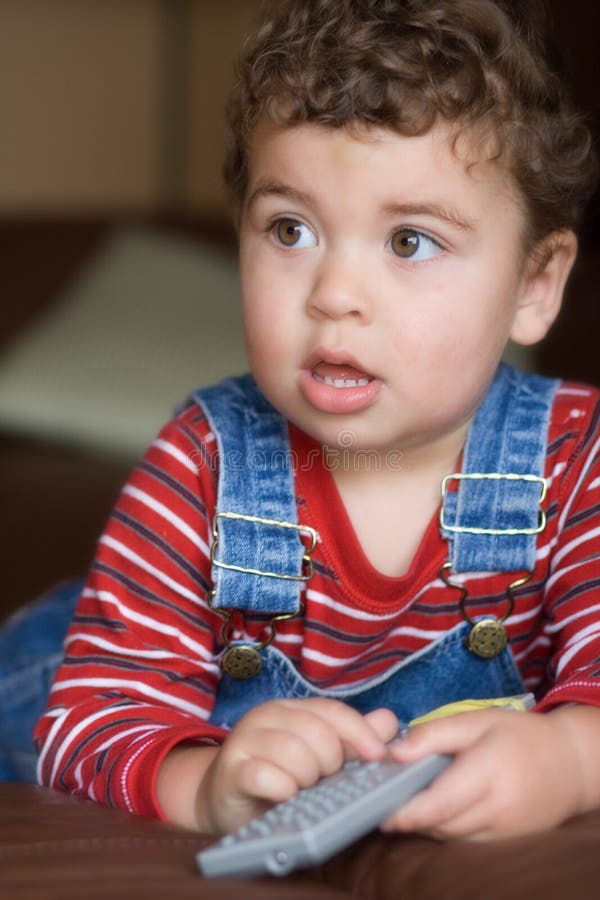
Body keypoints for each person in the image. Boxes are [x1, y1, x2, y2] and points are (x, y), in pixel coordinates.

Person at [28, 0, 600, 841]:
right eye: (290, 229)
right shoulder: (203, 461)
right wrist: (206, 784)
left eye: (410, 241)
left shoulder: (575, 459)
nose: (333, 295)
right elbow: (86, 726)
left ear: (534, 285)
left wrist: (574, 758)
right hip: (56, 665)